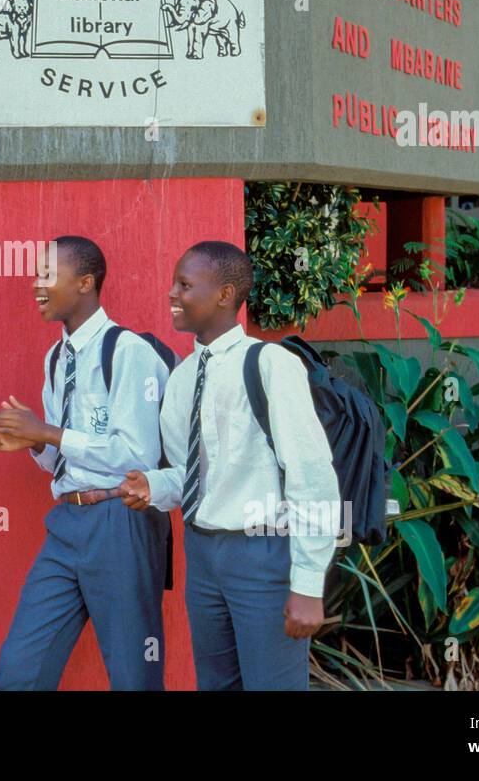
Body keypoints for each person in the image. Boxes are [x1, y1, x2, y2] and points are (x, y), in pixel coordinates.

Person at [120, 241, 340, 690]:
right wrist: (153, 486)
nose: (171, 294)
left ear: (224, 294)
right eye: (173, 283)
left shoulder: (270, 363)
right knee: (216, 684)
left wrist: (307, 581)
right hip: (201, 555)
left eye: (184, 284)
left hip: (261, 552)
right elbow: (189, 474)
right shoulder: (182, 378)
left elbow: (311, 474)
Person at [0, 236, 170, 691]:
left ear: (85, 282)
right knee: (20, 670)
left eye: (47, 273)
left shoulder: (127, 351)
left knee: (134, 674)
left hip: (122, 520)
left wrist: (47, 432)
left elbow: (137, 457)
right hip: (67, 523)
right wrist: (30, 442)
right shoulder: (55, 358)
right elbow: (58, 460)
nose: (36, 284)